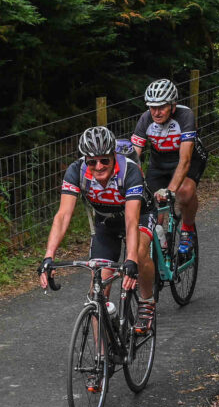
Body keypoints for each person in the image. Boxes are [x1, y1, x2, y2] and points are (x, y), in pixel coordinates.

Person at [40, 125, 152, 332]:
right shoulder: (76, 171)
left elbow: (131, 219)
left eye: (104, 160)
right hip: (106, 222)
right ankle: (102, 358)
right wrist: (49, 256)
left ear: (113, 156)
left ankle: (147, 301)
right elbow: (63, 215)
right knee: (97, 289)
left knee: (141, 254)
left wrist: (131, 260)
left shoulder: (129, 170)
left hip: (139, 216)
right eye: (92, 161)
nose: (98, 166)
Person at [128, 78, 204, 259]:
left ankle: (187, 230)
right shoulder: (145, 119)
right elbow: (132, 157)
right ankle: (161, 249)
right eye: (152, 107)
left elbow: (185, 161)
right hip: (159, 163)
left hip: (188, 159)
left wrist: (170, 190)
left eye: (161, 107)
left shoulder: (185, 116)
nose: (156, 112)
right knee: (155, 212)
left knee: (184, 192)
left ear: (173, 105)